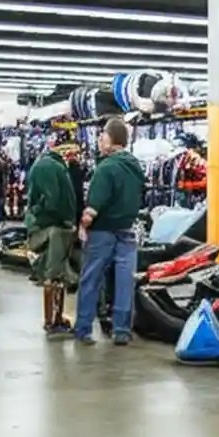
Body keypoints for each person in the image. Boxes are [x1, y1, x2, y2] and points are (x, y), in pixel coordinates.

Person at [74, 117, 144, 346]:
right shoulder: (135, 166)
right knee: (125, 281)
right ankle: (122, 330)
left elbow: (93, 206)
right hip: (127, 230)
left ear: (112, 139)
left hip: (103, 231)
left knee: (91, 279)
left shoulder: (106, 168)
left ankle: (83, 328)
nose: (99, 139)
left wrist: (83, 224)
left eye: (103, 135)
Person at [24, 136, 80, 339]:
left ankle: (56, 319)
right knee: (53, 275)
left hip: (56, 226)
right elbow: (52, 200)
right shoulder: (49, 166)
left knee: (58, 275)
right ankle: (50, 322)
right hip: (53, 227)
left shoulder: (51, 165)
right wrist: (59, 219)